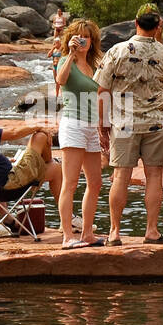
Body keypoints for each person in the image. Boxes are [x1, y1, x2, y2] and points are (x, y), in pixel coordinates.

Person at [95, 3, 163, 245]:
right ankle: (151, 231)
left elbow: (102, 89)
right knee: (154, 176)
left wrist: (102, 122)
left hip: (124, 123)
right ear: (158, 26)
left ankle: (114, 232)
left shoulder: (117, 51)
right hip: (157, 122)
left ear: (135, 22)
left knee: (121, 176)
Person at [55, 19, 105, 248]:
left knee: (95, 182)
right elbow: (60, 80)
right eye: (79, 36)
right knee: (71, 182)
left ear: (92, 40)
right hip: (73, 124)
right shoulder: (66, 61)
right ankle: (67, 236)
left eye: (88, 36)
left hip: (92, 127)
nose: (84, 40)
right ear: (71, 38)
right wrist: (72, 54)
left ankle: (87, 233)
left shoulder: (95, 66)